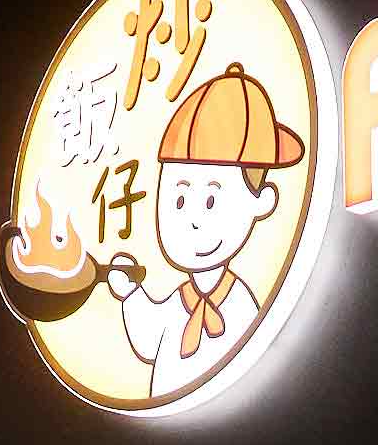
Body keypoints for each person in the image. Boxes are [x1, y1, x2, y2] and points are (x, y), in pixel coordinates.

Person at [109, 59, 301, 388]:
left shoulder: (240, 300)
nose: (192, 222)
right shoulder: (178, 300)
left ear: (261, 202)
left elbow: (263, 353)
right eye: (179, 201)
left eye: (211, 201)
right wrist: (131, 295)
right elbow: (147, 336)